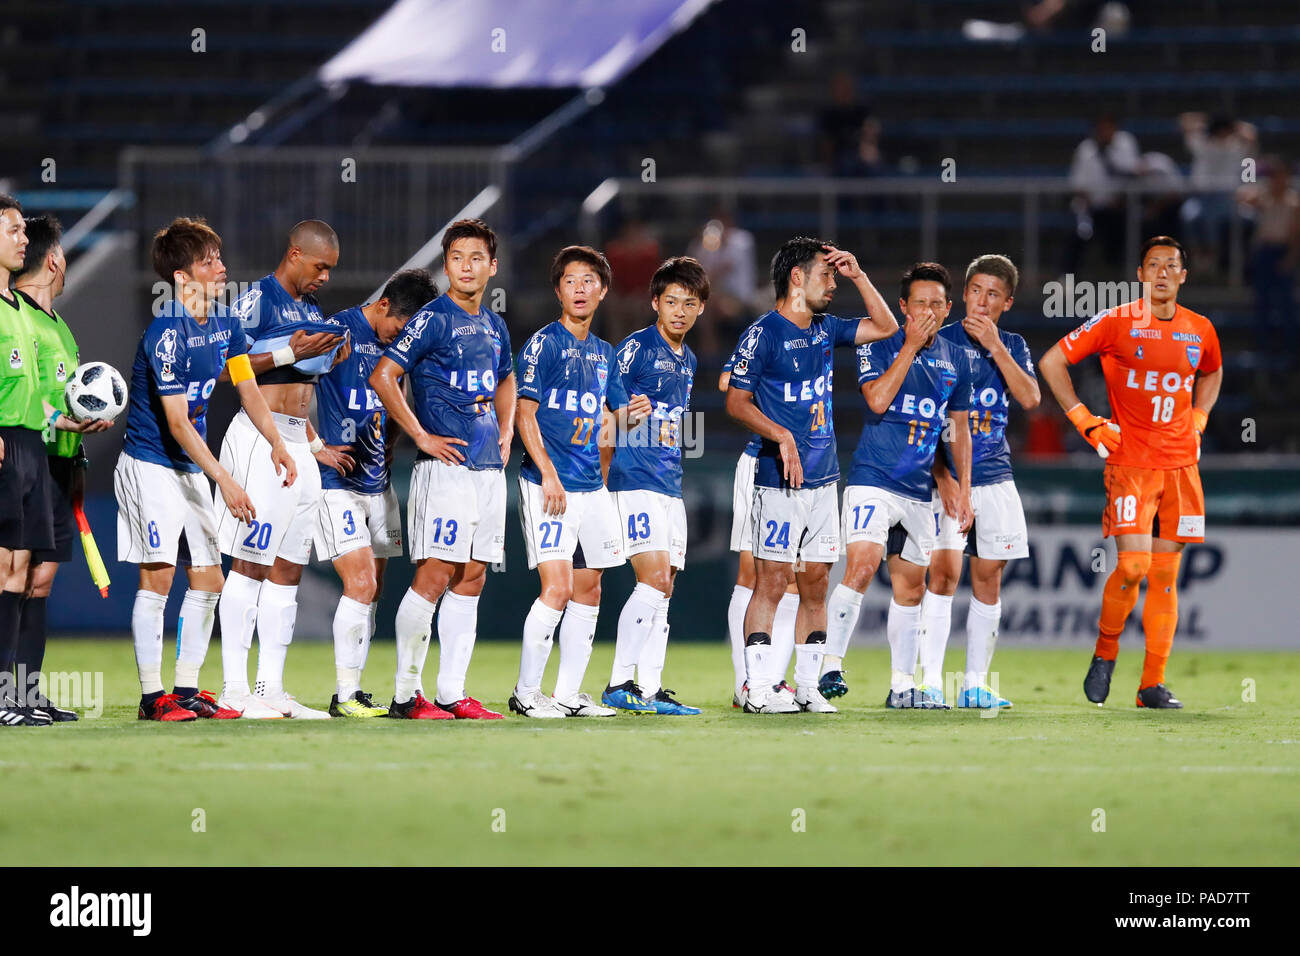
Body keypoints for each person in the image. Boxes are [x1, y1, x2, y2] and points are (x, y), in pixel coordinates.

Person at [115, 217, 296, 721]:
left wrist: (277, 443)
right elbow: (175, 422)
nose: (221, 268)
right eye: (208, 261)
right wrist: (225, 479)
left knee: (210, 580)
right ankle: (153, 699)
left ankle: (188, 689)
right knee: (158, 579)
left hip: (191, 467)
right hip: (151, 464)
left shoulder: (226, 326)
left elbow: (247, 388)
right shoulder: (166, 331)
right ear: (181, 276)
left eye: (219, 258)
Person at [1037, 236, 1222, 708]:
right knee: (1134, 566)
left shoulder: (1200, 329)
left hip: (1181, 466)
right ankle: (1105, 652)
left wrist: (1199, 419)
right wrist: (1085, 420)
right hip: (1132, 464)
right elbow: (1052, 361)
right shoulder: (1117, 321)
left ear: (1183, 276)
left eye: (1171, 265)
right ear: (1140, 275)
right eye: (1153, 264)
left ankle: (1150, 685)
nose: (1162, 272)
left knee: (1165, 577)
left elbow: (1213, 371)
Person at [724, 237, 898, 714]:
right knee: (772, 580)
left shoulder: (826, 329)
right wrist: (781, 436)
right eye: (827, 274)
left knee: (817, 582)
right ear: (797, 278)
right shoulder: (764, 334)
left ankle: (806, 686)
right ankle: (758, 689)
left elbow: (887, 326)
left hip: (824, 479)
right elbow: (735, 402)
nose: (834, 283)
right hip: (777, 478)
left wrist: (860, 273)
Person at [369, 220, 514, 720]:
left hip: (488, 470)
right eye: (456, 258)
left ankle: (452, 692)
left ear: (492, 267)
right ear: (446, 264)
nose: (467, 267)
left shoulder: (495, 325)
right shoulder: (432, 318)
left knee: (472, 577)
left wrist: (508, 428)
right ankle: (406, 695)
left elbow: (507, 379)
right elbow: (384, 376)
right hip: (443, 468)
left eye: (477, 258)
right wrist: (421, 435)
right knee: (435, 575)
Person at [821, 263, 974, 710]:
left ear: (948, 309)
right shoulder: (881, 341)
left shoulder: (956, 358)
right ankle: (831, 663)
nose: (927, 311)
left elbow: (959, 427)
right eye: (919, 303)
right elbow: (877, 399)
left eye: (936, 304)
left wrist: (962, 488)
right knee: (863, 564)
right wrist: (908, 345)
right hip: (873, 478)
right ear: (903, 307)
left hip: (916, 490)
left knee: (912, 589)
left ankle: (903, 686)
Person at [215, 220, 349, 720]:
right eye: (320, 267)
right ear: (295, 254)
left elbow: (300, 389)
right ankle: (233, 690)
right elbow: (231, 368)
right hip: (259, 439)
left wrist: (315, 443)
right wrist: (295, 350)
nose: (325, 279)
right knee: (250, 562)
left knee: (288, 568)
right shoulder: (259, 299)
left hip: (296, 442)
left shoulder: (311, 309)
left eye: (330, 270)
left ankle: (270, 689)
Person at [509, 245, 628, 718]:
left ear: (602, 290)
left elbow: (613, 419)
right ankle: (525, 692)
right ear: (558, 290)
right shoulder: (544, 344)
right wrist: (550, 475)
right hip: (548, 483)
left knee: (590, 587)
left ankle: (566, 695)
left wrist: (628, 420)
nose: (580, 289)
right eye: (570, 281)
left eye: (588, 281)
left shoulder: (605, 354)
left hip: (589, 486)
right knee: (555, 587)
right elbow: (525, 414)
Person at [0, 197, 105, 726]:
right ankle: (8, 695)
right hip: (25, 456)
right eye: (11, 229)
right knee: (13, 572)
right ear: (57, 260)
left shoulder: (52, 323)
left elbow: (50, 398)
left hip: (54, 459)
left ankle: (24, 693)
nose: (21, 240)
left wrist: (75, 429)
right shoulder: (17, 315)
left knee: (35, 579)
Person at [314, 268, 438, 717]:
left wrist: (391, 446)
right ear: (384, 305)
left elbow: (393, 404)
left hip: (378, 482)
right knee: (361, 582)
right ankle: (343, 695)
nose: (404, 338)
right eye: (402, 328)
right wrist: (314, 445)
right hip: (337, 483)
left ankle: (357, 689)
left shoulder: (399, 346)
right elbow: (285, 391)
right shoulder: (338, 331)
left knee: (375, 588)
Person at [918, 255, 1039, 709]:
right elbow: (919, 419)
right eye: (975, 291)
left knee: (988, 579)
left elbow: (1030, 397)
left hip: (996, 476)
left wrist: (997, 348)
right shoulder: (936, 342)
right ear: (963, 294)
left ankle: (974, 683)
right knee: (944, 575)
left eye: (993, 295)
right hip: (944, 480)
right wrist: (945, 477)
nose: (982, 302)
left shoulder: (1012, 344)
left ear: (1006, 302)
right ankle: (929, 682)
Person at [601, 256, 707, 716]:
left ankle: (650, 687)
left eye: (689, 302)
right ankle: (618, 683)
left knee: (666, 589)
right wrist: (626, 413)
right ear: (654, 303)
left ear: (702, 307)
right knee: (654, 580)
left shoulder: (690, 360)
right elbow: (608, 402)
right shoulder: (636, 348)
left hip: (669, 482)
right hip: (634, 478)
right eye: (671, 302)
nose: (679, 311)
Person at [719, 350, 800, 709]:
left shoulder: (827, 331)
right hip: (763, 460)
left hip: (811, 464)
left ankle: (773, 678)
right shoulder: (767, 334)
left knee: (794, 576)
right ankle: (747, 683)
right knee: (753, 573)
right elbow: (727, 382)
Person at [1064, 116, 1142, 275]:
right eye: (1102, 128)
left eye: (1109, 128)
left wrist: (1120, 199)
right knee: (1081, 232)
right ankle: (1067, 276)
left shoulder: (1126, 143)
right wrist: (1091, 202)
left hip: (1119, 207)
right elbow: (1077, 183)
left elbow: (1134, 174)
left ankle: (1124, 275)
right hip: (1091, 209)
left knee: (1129, 230)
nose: (1105, 132)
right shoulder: (1086, 149)